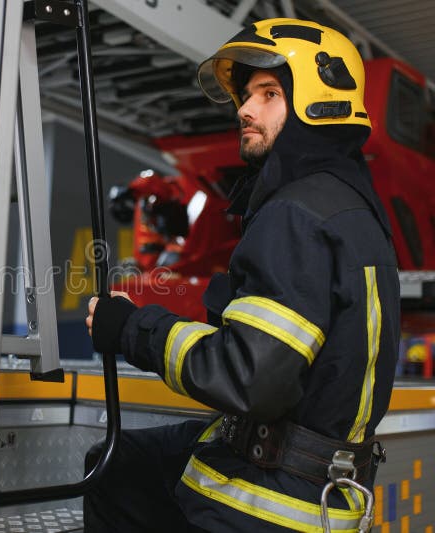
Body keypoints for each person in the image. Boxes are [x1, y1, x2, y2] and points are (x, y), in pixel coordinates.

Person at [84, 18, 400, 532]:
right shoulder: (352, 209)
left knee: (109, 468)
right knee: (118, 464)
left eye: (269, 93)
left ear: (318, 103)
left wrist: (130, 328)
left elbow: (250, 379)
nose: (245, 110)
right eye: (246, 96)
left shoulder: (296, 212)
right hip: (321, 483)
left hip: (267, 498)